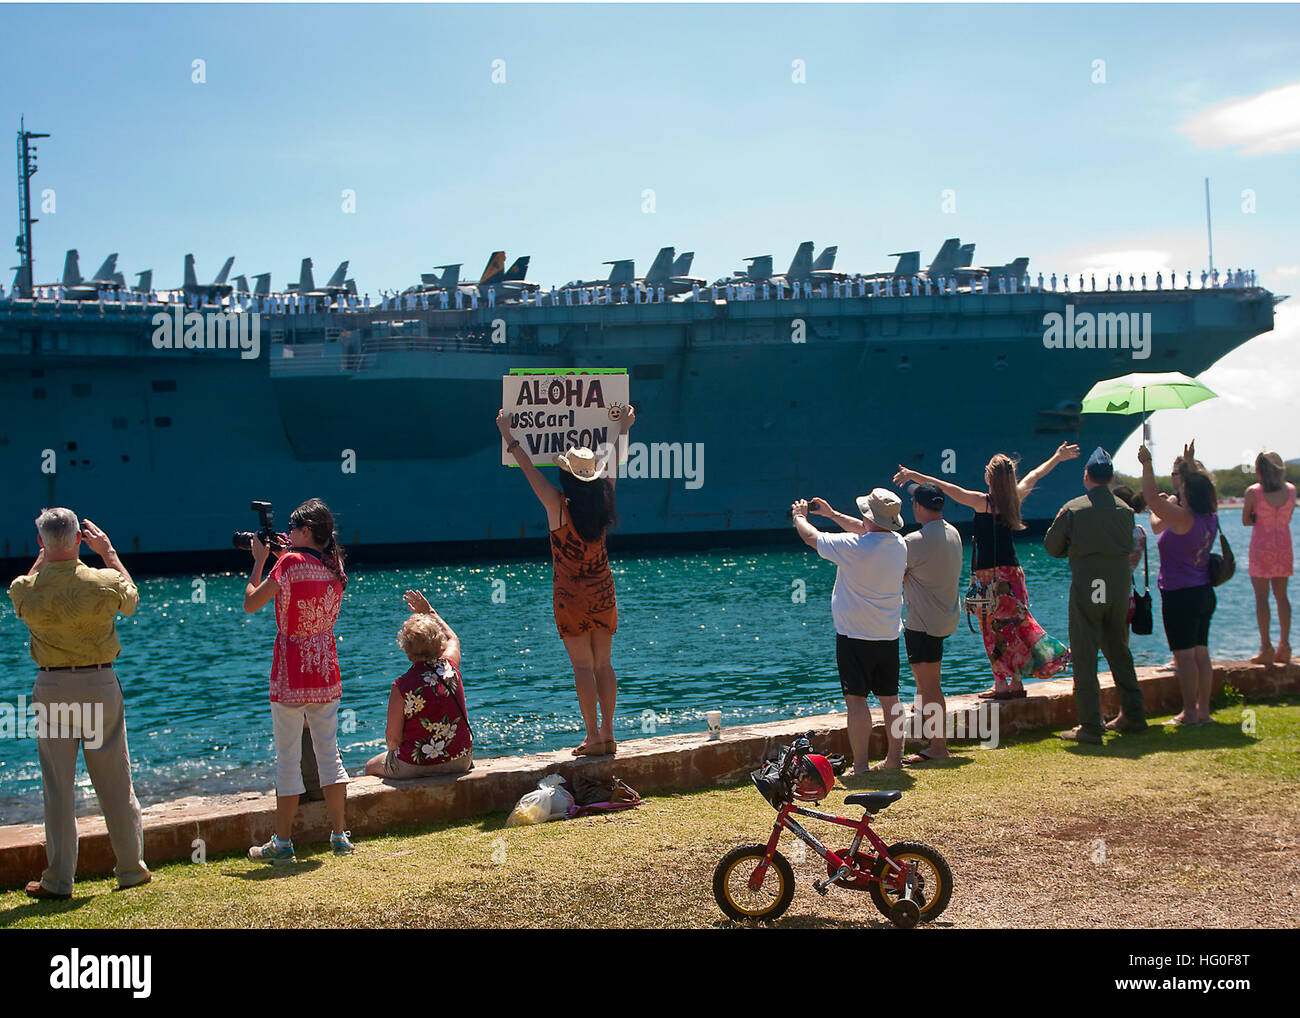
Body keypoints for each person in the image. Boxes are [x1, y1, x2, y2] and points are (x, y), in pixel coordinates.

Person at [8, 510, 151, 900]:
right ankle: (130, 869)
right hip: (99, 681)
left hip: (52, 684)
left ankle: (58, 880)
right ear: (78, 540)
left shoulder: (26, 589)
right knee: (116, 784)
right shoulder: (103, 582)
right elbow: (132, 600)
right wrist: (108, 552)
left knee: (58, 788)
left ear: (40, 543)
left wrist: (46, 556)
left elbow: (25, 587)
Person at [495, 405, 634, 756]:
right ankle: (609, 731)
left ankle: (591, 735)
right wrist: (625, 428)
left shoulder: (555, 504)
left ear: (568, 476)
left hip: (570, 597)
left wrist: (508, 435)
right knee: (604, 663)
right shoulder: (605, 501)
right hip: (603, 592)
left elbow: (528, 470)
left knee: (582, 666)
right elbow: (617, 460)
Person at [894, 443, 1076, 700]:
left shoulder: (982, 503)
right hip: (1013, 574)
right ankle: (1016, 682)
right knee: (1015, 625)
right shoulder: (1014, 498)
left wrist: (915, 476)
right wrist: (1057, 457)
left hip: (989, 577)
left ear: (989, 476)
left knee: (992, 630)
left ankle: (1001, 685)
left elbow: (947, 488)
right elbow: (1035, 474)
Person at [243, 498, 354, 862]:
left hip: (291, 669)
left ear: (306, 531)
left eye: (293, 530)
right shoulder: (334, 563)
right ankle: (339, 835)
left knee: (287, 759)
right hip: (325, 666)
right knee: (329, 754)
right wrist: (282, 551)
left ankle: (283, 843)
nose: (288, 535)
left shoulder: (289, 563)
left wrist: (260, 559)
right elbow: (304, 571)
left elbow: (252, 603)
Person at [795, 489, 907, 772]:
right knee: (890, 699)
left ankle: (861, 766)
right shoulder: (899, 544)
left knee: (856, 702)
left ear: (869, 516)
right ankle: (894, 760)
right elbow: (868, 530)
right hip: (888, 635)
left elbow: (811, 537)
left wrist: (799, 517)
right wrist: (832, 514)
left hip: (853, 637)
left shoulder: (851, 547)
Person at [1045, 449, 1148, 743]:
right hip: (1118, 586)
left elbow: (1053, 547)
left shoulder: (1073, 509)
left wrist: (1072, 548)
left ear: (1086, 476)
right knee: (1119, 650)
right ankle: (1135, 715)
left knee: (1085, 653)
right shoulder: (1125, 510)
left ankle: (1091, 726)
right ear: (1112, 478)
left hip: (1089, 585)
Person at [1139, 444, 1218, 726]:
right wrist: (1190, 462)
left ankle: (1189, 713)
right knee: (1201, 652)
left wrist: (1147, 463)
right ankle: (1204, 711)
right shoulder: (1210, 515)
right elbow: (1202, 484)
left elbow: (1150, 497)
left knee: (1183, 656)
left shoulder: (1183, 518)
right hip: (1204, 592)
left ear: (1187, 491)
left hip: (1179, 595)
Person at [365, 590, 473, 778]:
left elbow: (393, 741)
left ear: (406, 650)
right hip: (460, 760)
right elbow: (453, 639)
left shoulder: (401, 686)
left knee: (370, 766)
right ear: (439, 644)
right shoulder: (451, 668)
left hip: (415, 766)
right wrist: (429, 611)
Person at [894, 482, 963, 763]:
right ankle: (928, 731)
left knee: (930, 684)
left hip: (922, 623)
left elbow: (895, 576)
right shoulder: (953, 532)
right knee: (926, 681)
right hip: (945, 617)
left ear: (918, 506)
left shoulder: (914, 541)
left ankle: (937, 746)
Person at [1244, 451, 1294, 665]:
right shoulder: (1290, 490)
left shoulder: (1254, 492)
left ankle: (1265, 646)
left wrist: (1257, 515)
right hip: (1284, 545)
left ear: (1259, 470)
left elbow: (1247, 520)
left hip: (1261, 547)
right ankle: (1285, 645)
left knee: (1261, 597)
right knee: (1282, 597)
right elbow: (1289, 516)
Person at [1113, 484, 1149, 640]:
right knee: (1123, 640)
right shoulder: (1140, 532)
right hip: (1128, 595)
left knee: (1102, 637)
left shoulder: (1116, 534)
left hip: (1109, 593)